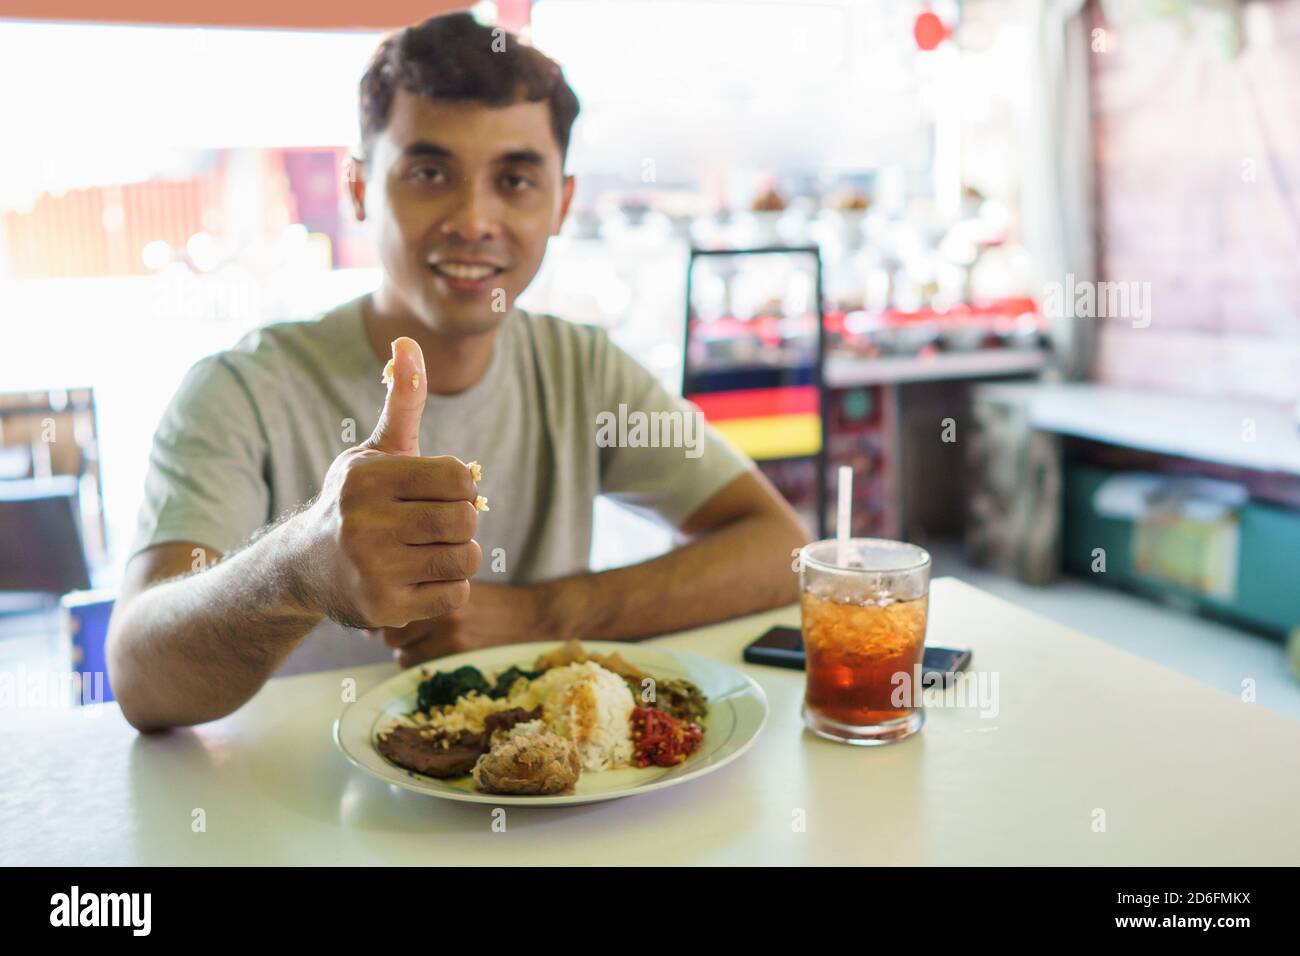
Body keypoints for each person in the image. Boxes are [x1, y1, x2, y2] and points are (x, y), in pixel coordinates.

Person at [107, 13, 809, 732]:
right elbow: (139, 676)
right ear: (358, 189)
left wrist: (536, 617)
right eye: (430, 173)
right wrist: (299, 570)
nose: (475, 218)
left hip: (545, 814)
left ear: (561, 203)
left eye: (515, 179)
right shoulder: (240, 390)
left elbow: (779, 547)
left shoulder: (583, 368)